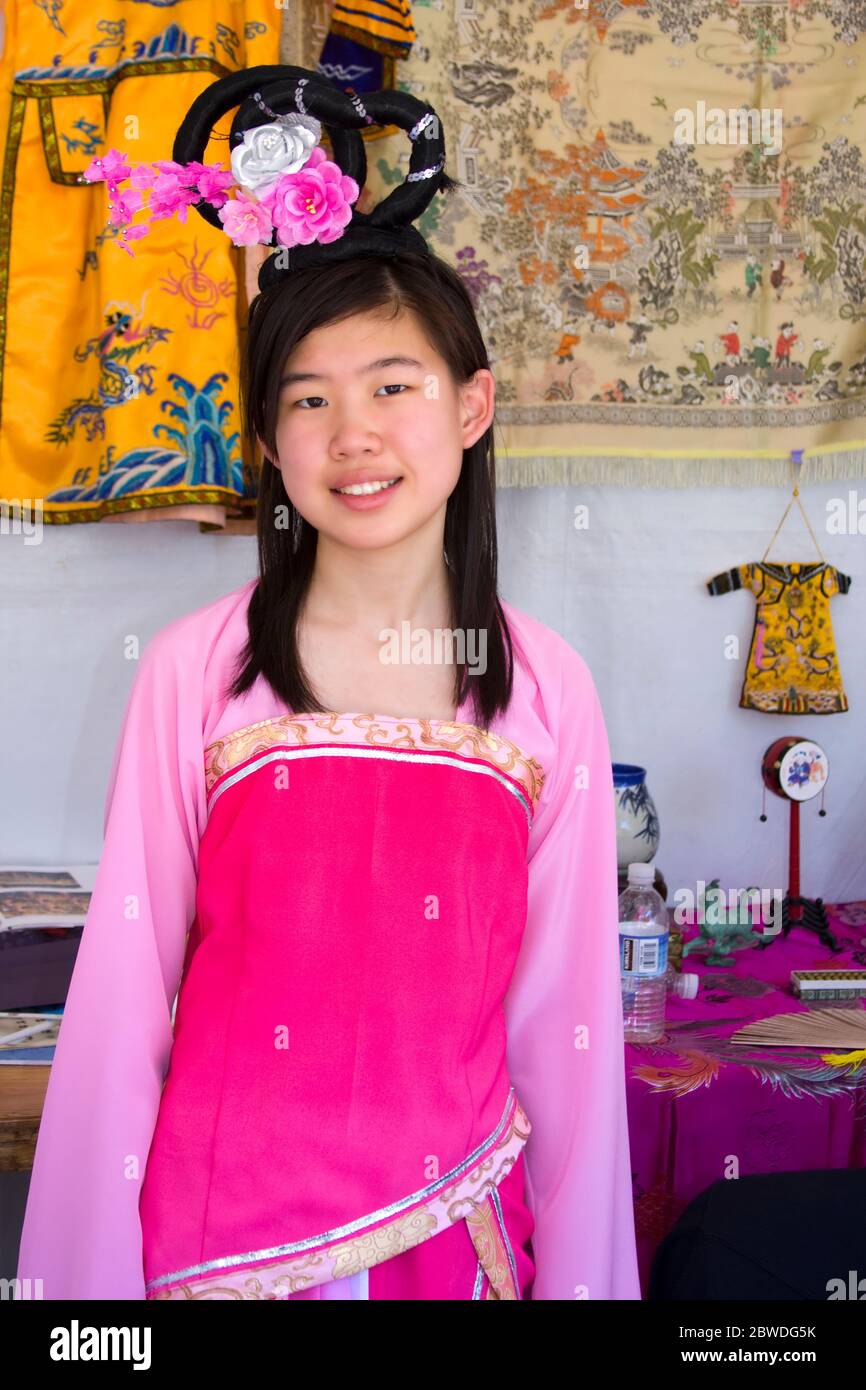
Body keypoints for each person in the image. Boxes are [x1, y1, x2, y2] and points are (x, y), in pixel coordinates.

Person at [16, 65, 640, 1302]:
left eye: (391, 388)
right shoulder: (200, 673)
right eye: (308, 399)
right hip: (215, 1247)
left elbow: (565, 1037)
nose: (352, 434)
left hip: (451, 1245)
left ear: (470, 409)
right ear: (265, 439)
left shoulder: (537, 688)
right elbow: (119, 1011)